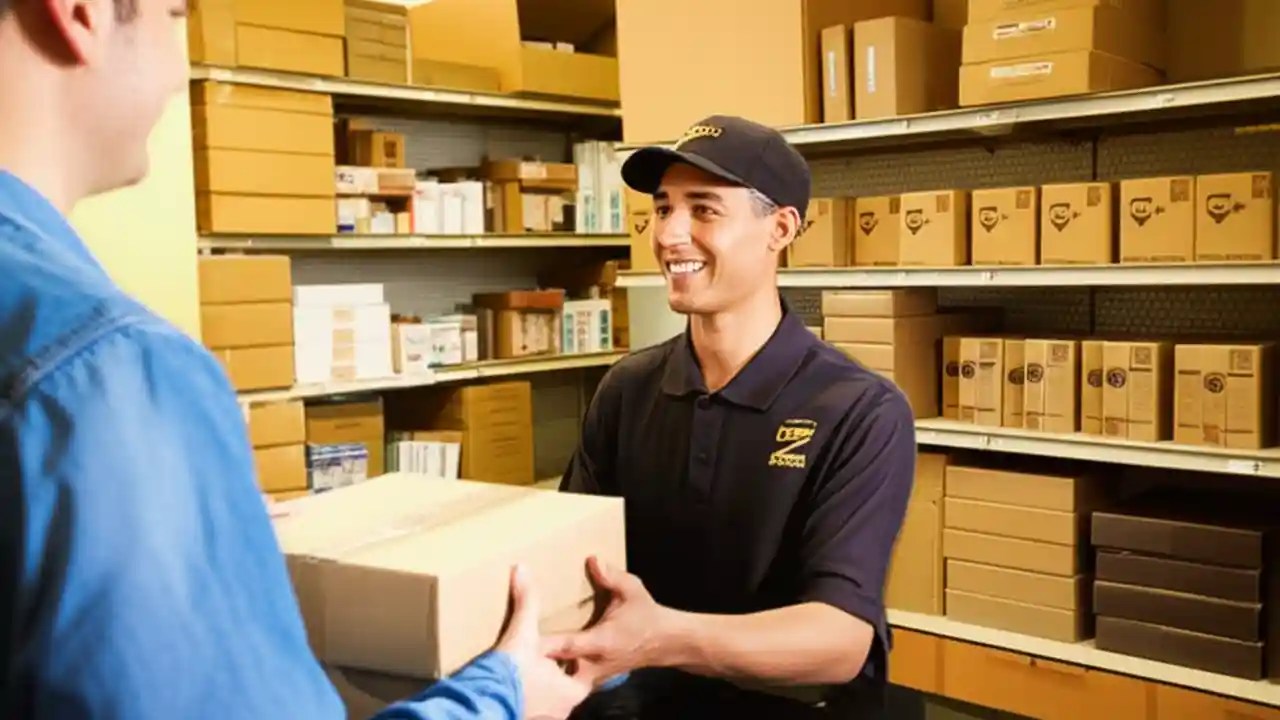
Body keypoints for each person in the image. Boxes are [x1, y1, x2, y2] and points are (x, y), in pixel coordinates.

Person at [0, 1, 587, 718]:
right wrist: (502, 695)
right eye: (175, 16)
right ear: (80, 12)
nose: (178, 67)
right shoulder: (109, 372)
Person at [553, 115, 917, 718]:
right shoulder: (627, 389)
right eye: (663, 207)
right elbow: (572, 560)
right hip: (640, 701)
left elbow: (840, 639)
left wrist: (660, 638)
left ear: (780, 228)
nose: (670, 233)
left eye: (704, 210)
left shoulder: (860, 410)